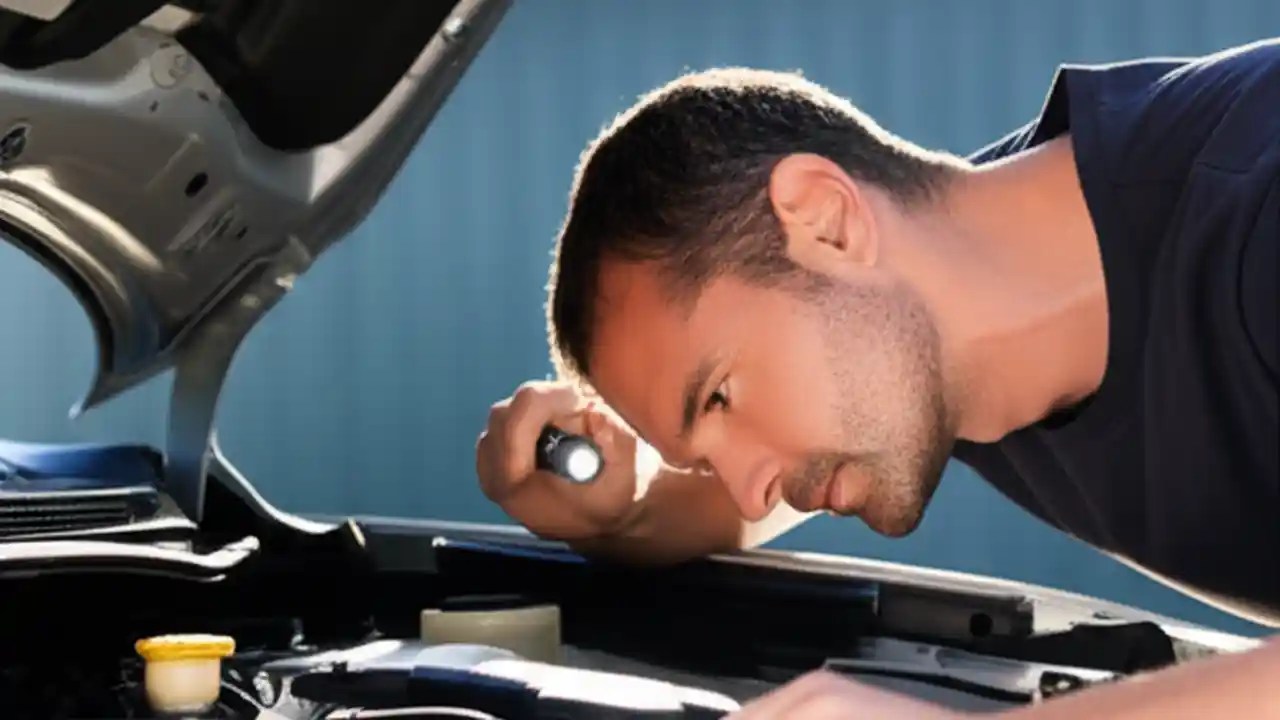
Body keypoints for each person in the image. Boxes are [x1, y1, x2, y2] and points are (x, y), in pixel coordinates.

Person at [476, 35, 1278, 718]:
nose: (750, 491)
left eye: (719, 394)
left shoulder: (1257, 195)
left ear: (827, 220)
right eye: (705, 456)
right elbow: (718, 513)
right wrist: (615, 515)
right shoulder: (934, 325)